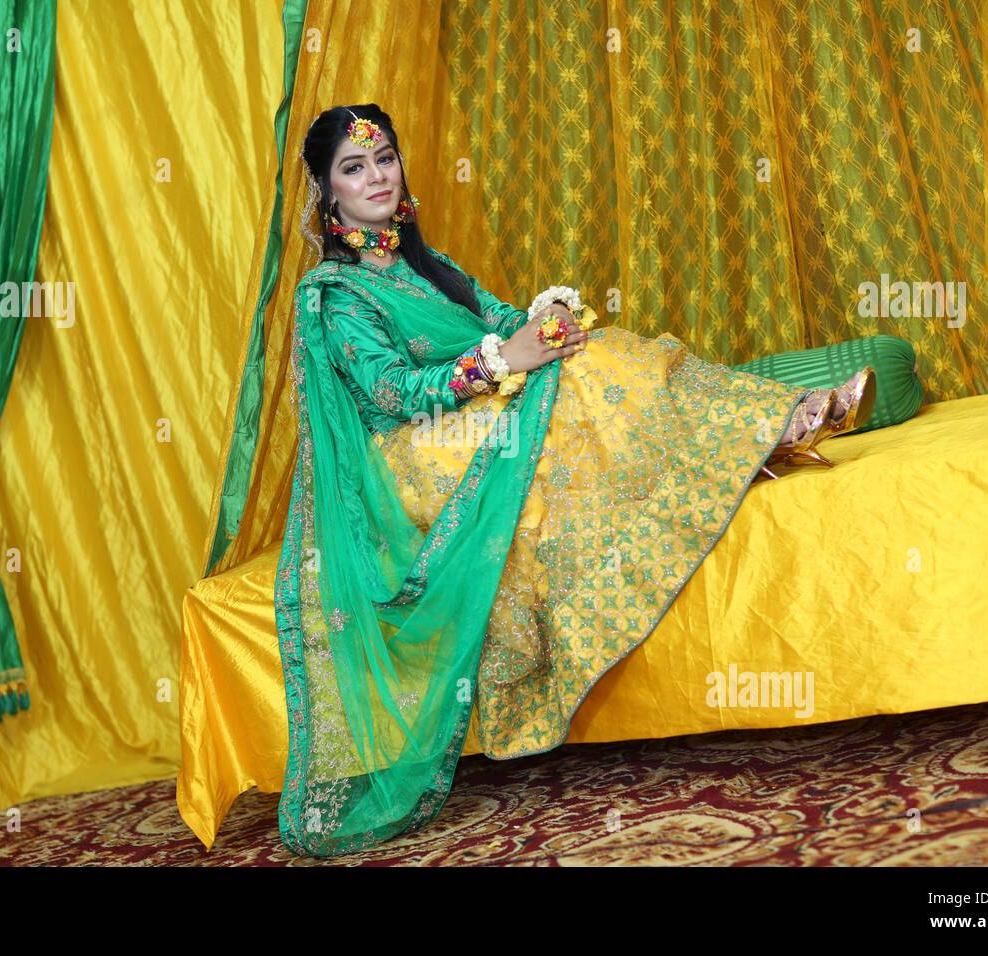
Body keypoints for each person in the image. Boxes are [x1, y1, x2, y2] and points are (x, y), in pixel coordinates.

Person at [276, 103, 875, 857]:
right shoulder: (333, 295)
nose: (376, 178)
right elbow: (393, 391)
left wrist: (543, 320)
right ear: (326, 194)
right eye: (354, 168)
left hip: (470, 416)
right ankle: (775, 428)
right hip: (419, 453)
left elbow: (497, 314)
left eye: (385, 158)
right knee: (572, 378)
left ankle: (762, 431)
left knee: (587, 353)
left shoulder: (428, 266)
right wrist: (501, 362)